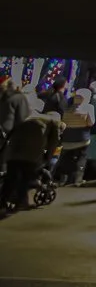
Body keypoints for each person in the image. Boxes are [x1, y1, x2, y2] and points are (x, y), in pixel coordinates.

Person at [3, 75, 58, 214]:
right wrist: (48, 157)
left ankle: (4, 201)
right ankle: (21, 202)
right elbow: (52, 143)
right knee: (25, 178)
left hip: (15, 150)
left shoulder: (25, 117)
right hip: (32, 153)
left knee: (12, 177)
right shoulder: (50, 122)